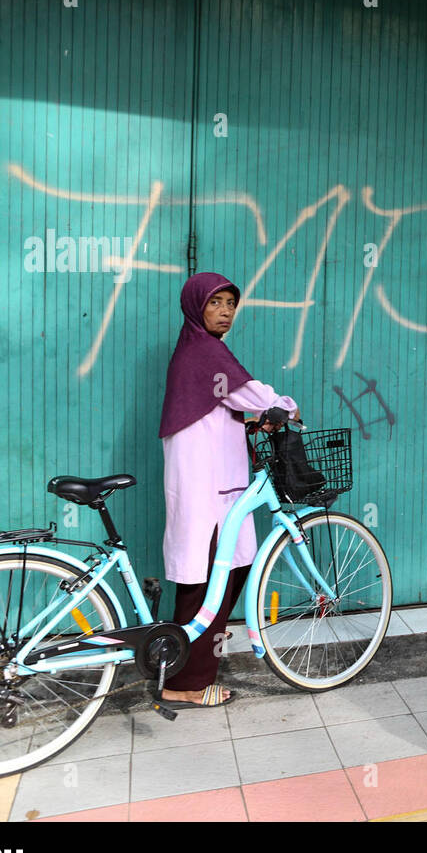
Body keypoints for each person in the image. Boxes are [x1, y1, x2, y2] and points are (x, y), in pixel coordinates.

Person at [157, 271, 298, 708]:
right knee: (207, 580)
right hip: (209, 487)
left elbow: (226, 404)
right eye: (215, 302)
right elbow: (248, 393)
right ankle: (186, 684)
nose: (225, 311)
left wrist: (252, 417)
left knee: (217, 574)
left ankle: (184, 668)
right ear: (195, 306)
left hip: (215, 484)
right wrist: (287, 407)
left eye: (231, 303)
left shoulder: (196, 349)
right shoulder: (204, 351)